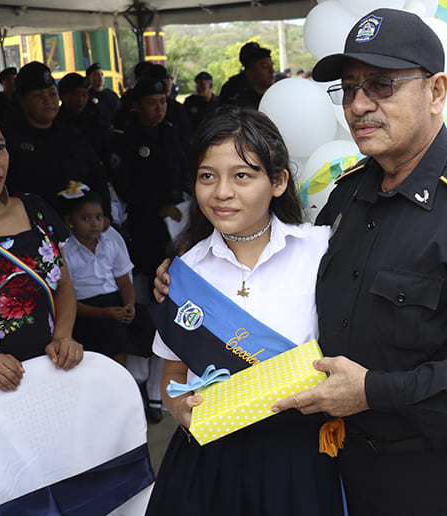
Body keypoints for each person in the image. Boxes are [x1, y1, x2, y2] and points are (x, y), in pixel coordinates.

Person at [273, 9, 447, 516]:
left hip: (446, 478)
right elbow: (292, 278)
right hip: (351, 466)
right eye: (349, 88)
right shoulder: (351, 193)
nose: (358, 105)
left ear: (437, 92)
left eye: (380, 85)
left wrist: (374, 392)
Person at [146, 105, 343, 515]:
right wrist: (180, 408)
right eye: (207, 176)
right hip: (211, 460)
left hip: (298, 456)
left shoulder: (321, 251)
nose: (221, 192)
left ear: (277, 181)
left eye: (241, 175)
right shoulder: (183, 274)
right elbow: (172, 373)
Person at [0, 104, 84, 515]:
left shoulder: (35, 209)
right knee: (4, 496)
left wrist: (64, 335)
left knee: (65, 483)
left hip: (50, 378)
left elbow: (64, 288)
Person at [3, 62, 111, 219]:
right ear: (21, 99)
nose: (48, 101)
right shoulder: (9, 141)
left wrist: (105, 214)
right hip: (34, 227)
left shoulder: (72, 135)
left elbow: (97, 176)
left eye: (52, 94)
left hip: (81, 225)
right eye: (38, 96)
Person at [109, 78, 186, 281]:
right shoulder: (126, 139)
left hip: (179, 216)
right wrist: (158, 209)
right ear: (137, 106)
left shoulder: (171, 131)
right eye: (152, 103)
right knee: (156, 276)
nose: (159, 108)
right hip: (147, 222)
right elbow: (124, 186)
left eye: (163, 101)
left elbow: (183, 170)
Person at [62, 191, 135, 367]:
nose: (94, 224)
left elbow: (125, 284)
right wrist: (105, 313)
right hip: (84, 308)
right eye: (85, 218)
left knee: (129, 332)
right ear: (70, 221)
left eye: (99, 217)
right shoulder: (66, 252)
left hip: (114, 304)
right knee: (101, 343)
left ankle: (122, 381)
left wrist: (129, 305)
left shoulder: (111, 246)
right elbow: (66, 299)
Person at [219, 41, 275, 110]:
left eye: (272, 65)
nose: (272, 71)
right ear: (249, 72)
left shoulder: (278, 91)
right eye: (265, 66)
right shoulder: (233, 92)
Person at [85, 62, 120, 129]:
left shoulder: (111, 94)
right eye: (96, 74)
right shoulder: (87, 97)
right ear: (89, 78)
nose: (100, 77)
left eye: (101, 74)